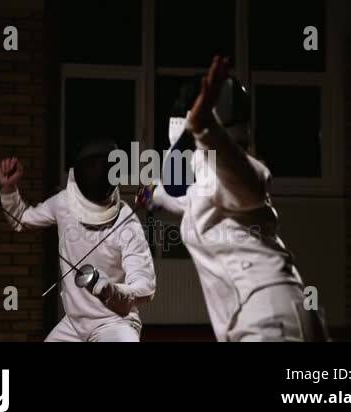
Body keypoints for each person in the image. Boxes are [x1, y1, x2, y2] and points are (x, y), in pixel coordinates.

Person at [139, 57, 329, 342]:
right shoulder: (202, 190)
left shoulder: (238, 176)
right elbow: (177, 195)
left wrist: (203, 126)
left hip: (270, 320)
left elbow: (245, 180)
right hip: (271, 315)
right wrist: (151, 195)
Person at [0, 139, 156, 342]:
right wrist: (9, 189)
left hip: (114, 322)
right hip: (73, 324)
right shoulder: (63, 203)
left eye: (103, 167)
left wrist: (111, 290)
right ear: (80, 170)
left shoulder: (127, 222)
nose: (97, 172)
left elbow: (145, 287)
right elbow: (21, 219)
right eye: (92, 166)